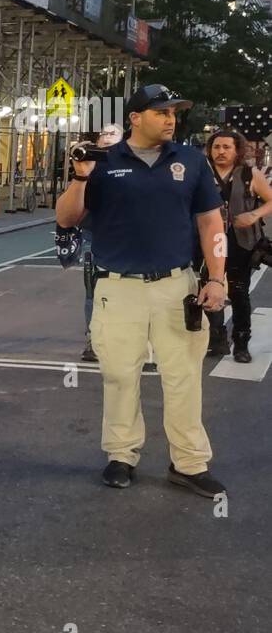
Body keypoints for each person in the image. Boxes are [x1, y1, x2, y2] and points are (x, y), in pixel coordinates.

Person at [55, 84, 228, 498]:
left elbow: (210, 222)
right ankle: (121, 454)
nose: (170, 119)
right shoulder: (103, 161)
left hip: (176, 285)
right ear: (135, 117)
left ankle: (188, 462)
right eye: (161, 112)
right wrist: (80, 176)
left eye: (173, 113)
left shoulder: (189, 159)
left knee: (184, 376)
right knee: (118, 375)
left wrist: (217, 278)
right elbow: (67, 218)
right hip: (118, 287)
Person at [203, 128, 272, 363]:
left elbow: (270, 200)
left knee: (239, 292)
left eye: (226, 147)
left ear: (237, 150)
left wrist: (253, 215)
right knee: (208, 289)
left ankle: (241, 343)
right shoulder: (201, 172)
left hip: (241, 243)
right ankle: (217, 338)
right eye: (216, 147)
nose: (220, 152)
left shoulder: (249, 174)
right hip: (206, 241)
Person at [79, 125, 124, 363]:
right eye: (103, 134)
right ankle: (93, 339)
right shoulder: (88, 164)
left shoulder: (131, 165)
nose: (107, 137)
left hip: (126, 238)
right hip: (93, 235)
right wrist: (81, 172)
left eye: (112, 134)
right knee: (92, 290)